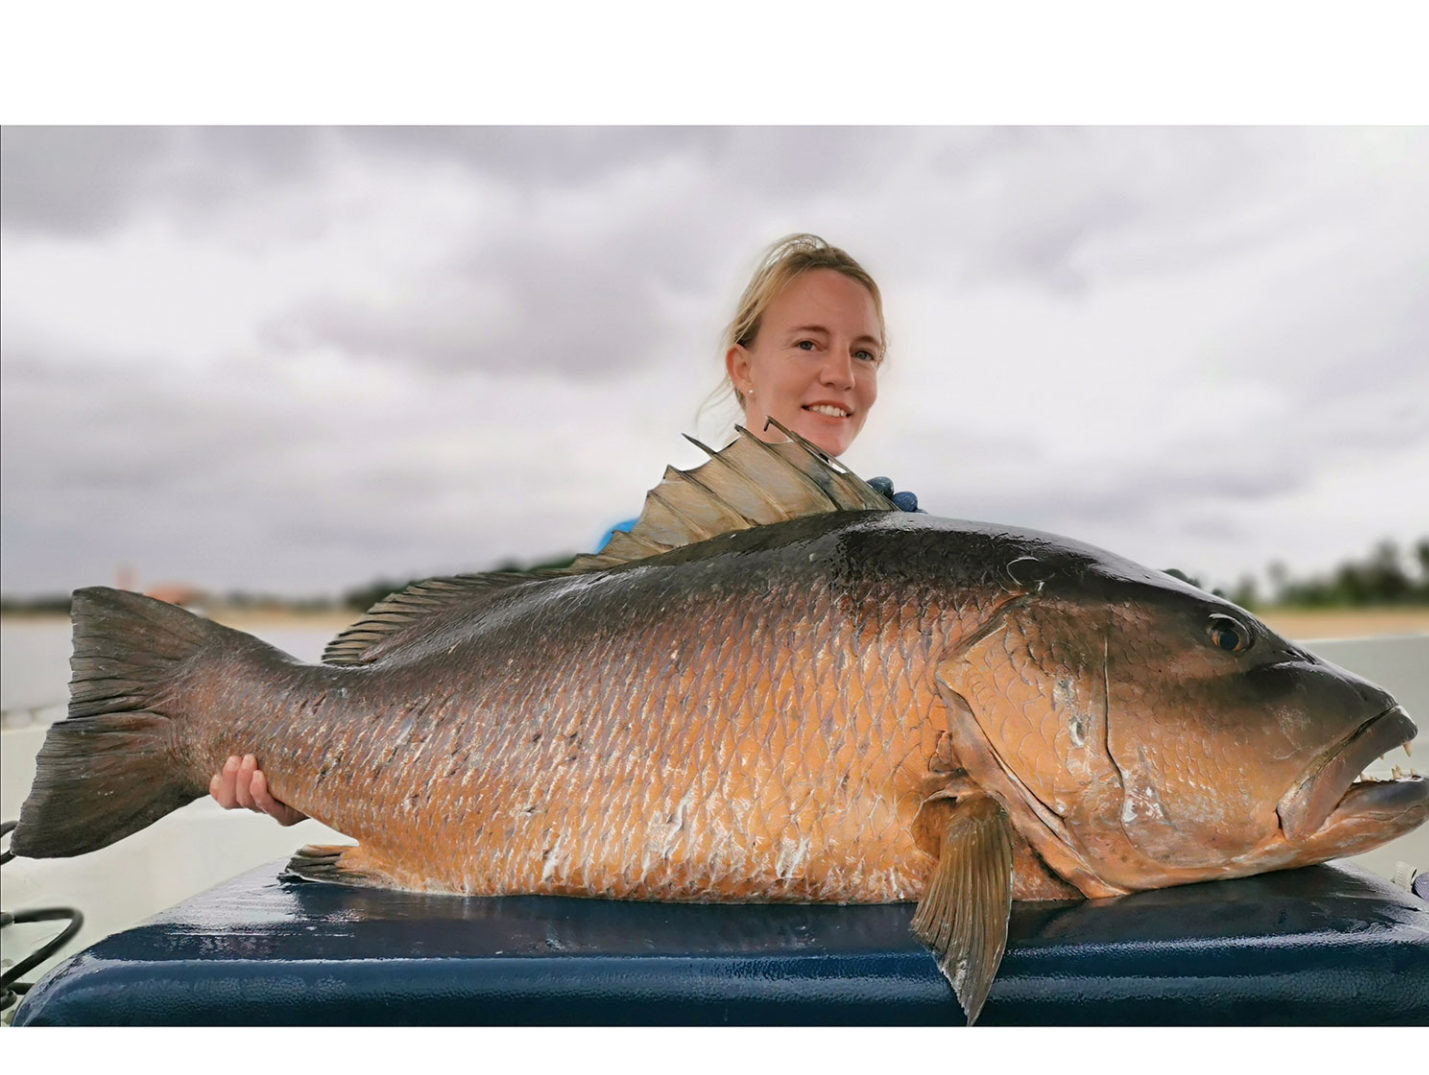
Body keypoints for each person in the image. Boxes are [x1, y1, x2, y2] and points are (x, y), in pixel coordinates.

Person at [211, 233, 916, 823]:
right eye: (808, 344)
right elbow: (521, 759)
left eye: (865, 353)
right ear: (743, 366)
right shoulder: (638, 559)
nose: (840, 373)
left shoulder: (913, 547)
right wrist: (306, 780)